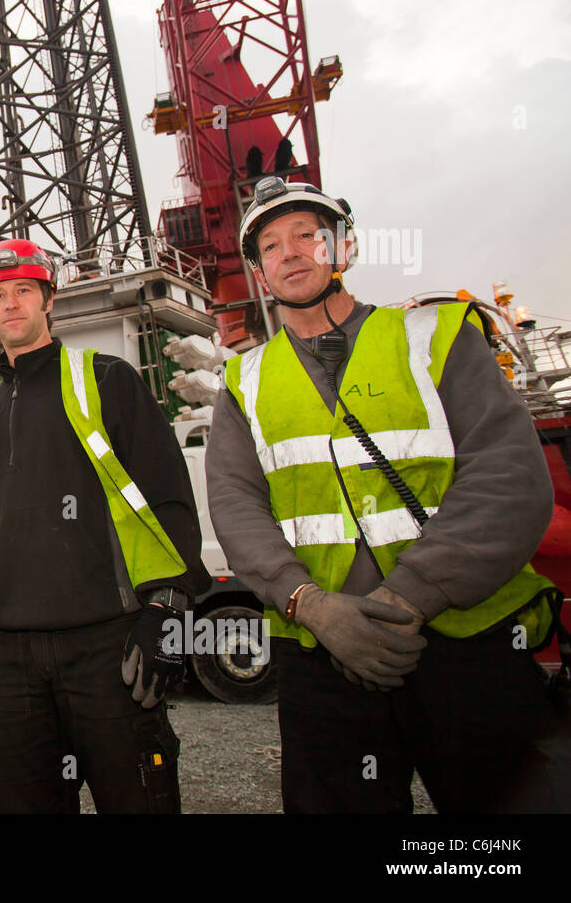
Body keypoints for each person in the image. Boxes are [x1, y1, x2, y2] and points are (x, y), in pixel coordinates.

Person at [207, 175, 566, 813]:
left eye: (307, 236)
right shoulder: (245, 381)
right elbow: (236, 505)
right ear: (260, 274)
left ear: (343, 250)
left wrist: (409, 596)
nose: (290, 253)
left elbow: (508, 477)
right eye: (270, 246)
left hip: (462, 636)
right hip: (322, 653)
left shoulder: (433, 338)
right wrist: (310, 605)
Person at [0, 238, 210, 813]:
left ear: (48, 300)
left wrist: (166, 611)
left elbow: (168, 497)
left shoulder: (106, 380)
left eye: (24, 292)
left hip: (107, 646)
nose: (11, 305)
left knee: (137, 800)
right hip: (12, 662)